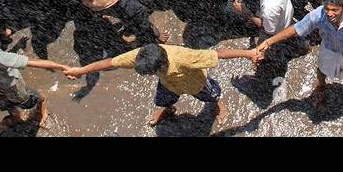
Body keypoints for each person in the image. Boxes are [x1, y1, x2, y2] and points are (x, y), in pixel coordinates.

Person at [66, 42, 258, 128]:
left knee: (211, 94)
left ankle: (218, 105)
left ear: (163, 64)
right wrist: (81, 70)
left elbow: (219, 54)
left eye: (151, 72)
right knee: (163, 100)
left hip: (195, 83)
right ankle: (168, 109)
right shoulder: (142, 55)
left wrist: (249, 54)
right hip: (168, 84)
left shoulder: (185, 58)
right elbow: (109, 64)